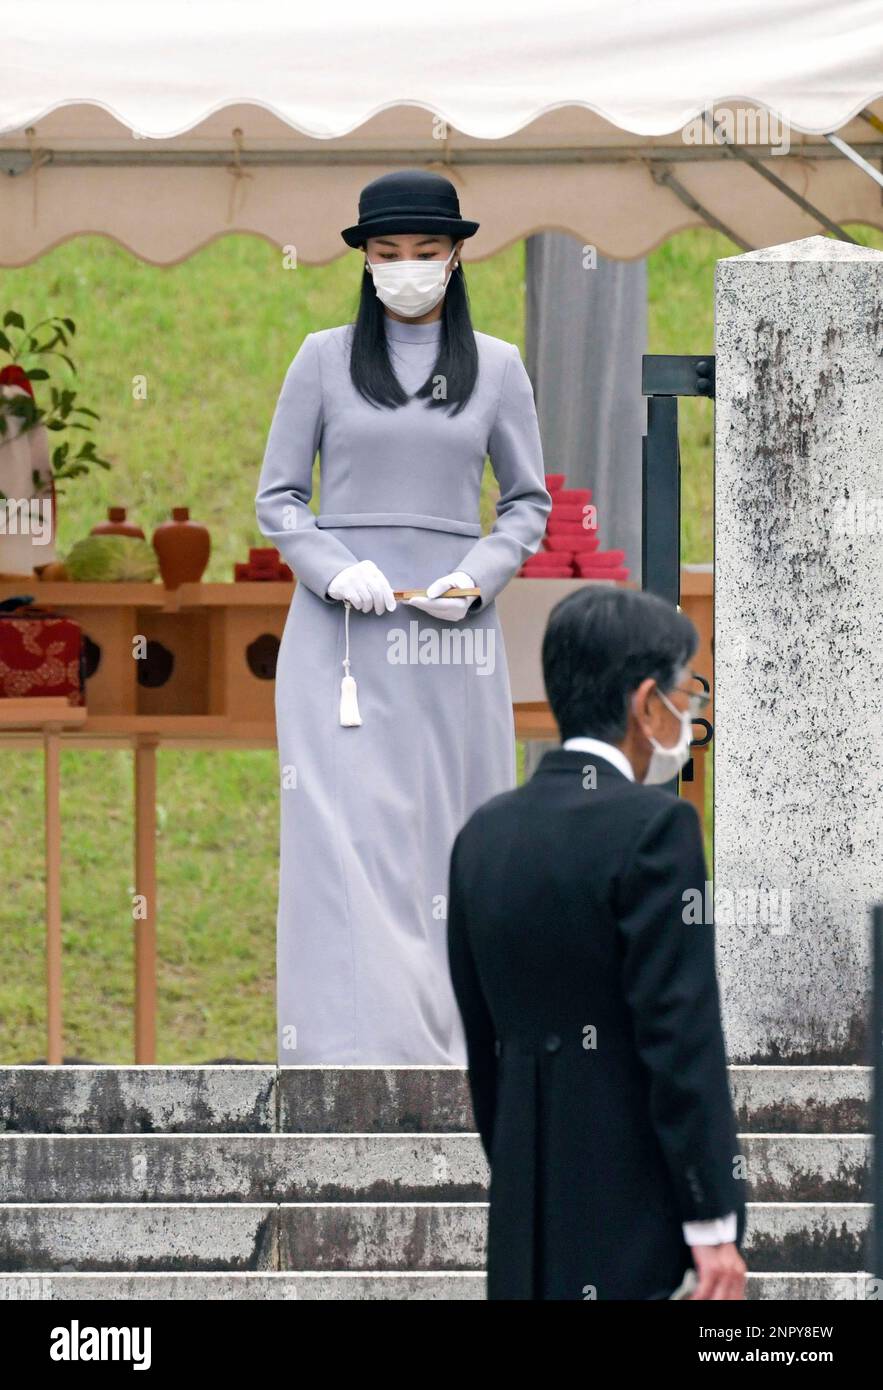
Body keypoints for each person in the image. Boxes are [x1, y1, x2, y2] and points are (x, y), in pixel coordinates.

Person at [255, 170, 551, 1065]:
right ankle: (346, 1049)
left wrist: (477, 575)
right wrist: (336, 572)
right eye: (387, 256)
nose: (407, 270)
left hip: (453, 637)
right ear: (365, 261)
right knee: (344, 835)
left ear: (457, 256)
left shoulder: (496, 367)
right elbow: (277, 500)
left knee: (451, 828)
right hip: (341, 638)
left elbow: (527, 505)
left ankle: (459, 1048)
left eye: (425, 254)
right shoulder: (320, 357)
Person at [447, 585, 748, 1299]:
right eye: (683, 692)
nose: (688, 711)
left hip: (522, 1222)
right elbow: (679, 1036)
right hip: (630, 1219)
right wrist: (710, 1220)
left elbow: (481, 1041)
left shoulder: (482, 835)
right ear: (646, 703)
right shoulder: (656, 828)